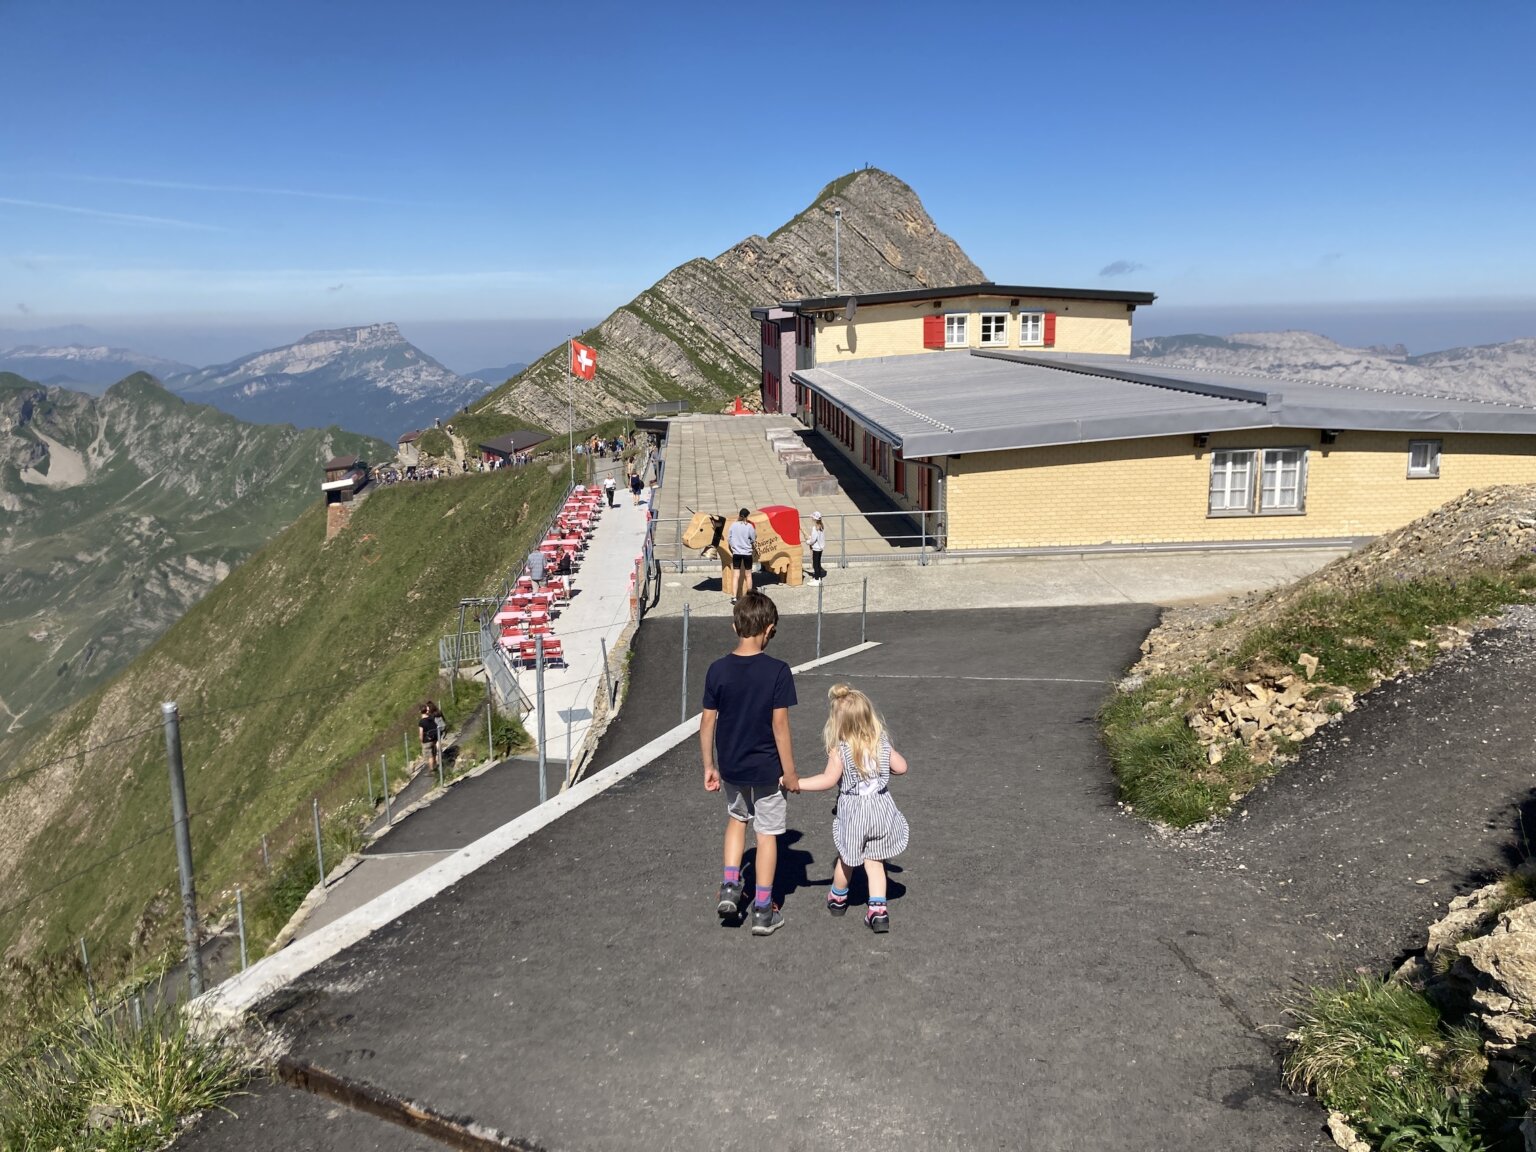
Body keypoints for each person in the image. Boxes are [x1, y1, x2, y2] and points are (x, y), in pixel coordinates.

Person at [700, 592, 799, 935]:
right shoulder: (778, 672)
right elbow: (780, 726)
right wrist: (790, 772)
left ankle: (730, 886)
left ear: (734, 626)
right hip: (768, 769)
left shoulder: (717, 670)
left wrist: (708, 765)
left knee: (736, 820)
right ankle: (762, 909)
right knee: (767, 834)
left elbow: (707, 723)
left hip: (731, 765)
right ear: (769, 629)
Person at [794, 684, 909, 933]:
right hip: (880, 811)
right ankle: (878, 911)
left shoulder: (841, 750)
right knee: (876, 861)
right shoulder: (881, 743)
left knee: (847, 858)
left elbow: (827, 781)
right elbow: (901, 767)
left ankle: (838, 897)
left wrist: (798, 783)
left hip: (854, 813)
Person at [726, 507, 755, 603]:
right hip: (747, 553)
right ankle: (750, 596)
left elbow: (729, 538)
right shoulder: (749, 526)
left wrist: (733, 546)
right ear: (747, 516)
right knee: (749, 575)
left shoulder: (733, 525)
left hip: (736, 553)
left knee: (736, 575)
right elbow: (753, 539)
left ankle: (734, 597)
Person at [419, 701, 442, 776]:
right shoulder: (431, 718)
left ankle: (432, 770)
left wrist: (421, 741)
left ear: (420, 712)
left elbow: (421, 733)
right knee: (434, 753)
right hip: (434, 739)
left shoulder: (421, 722)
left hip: (427, 741)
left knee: (430, 756)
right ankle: (436, 767)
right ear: (427, 711)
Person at [807, 512, 826, 585]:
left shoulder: (815, 528)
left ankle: (817, 580)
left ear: (814, 519)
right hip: (820, 548)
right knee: (818, 563)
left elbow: (813, 540)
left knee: (815, 564)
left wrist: (808, 542)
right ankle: (817, 577)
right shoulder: (821, 526)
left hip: (816, 548)